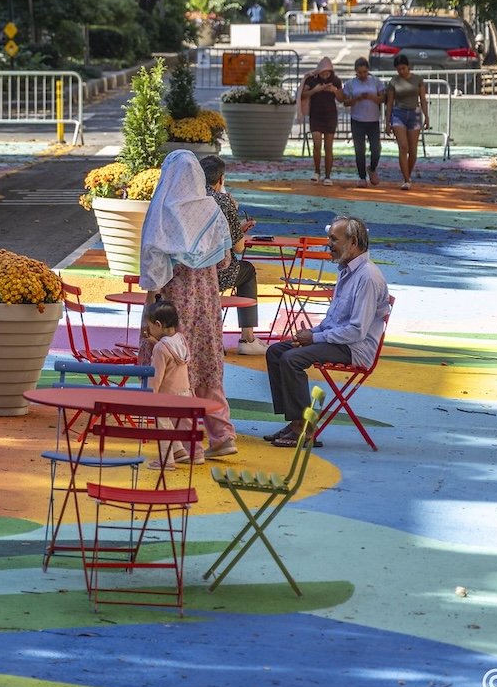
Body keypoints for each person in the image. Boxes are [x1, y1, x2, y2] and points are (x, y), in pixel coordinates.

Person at [137, 150, 238, 459]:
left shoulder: (164, 212)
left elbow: (154, 264)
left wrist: (149, 302)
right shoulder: (210, 210)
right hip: (206, 302)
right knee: (207, 364)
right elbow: (225, 260)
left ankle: (179, 443)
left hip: (172, 303)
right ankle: (222, 435)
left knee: (172, 370)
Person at [264, 216, 389, 448]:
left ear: (353, 243)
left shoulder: (367, 277)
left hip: (354, 348)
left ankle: (304, 428)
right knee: (276, 351)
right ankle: (295, 422)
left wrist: (314, 337)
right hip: (339, 340)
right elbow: (334, 319)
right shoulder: (348, 270)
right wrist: (313, 333)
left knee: (291, 359)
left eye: (334, 239)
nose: (328, 244)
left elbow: (356, 331)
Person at [200, 154, 261, 355]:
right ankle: (247, 337)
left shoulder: (190, 198)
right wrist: (239, 228)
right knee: (248, 271)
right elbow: (238, 248)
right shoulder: (224, 202)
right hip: (216, 273)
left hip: (187, 269)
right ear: (221, 179)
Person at [142, 299, 198, 469]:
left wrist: (150, 395)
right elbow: (170, 356)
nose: (149, 330)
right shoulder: (180, 340)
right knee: (170, 424)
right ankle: (179, 450)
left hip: (166, 396)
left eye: (151, 326)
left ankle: (166, 460)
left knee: (163, 426)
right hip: (184, 392)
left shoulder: (160, 348)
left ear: (158, 324)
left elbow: (156, 375)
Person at [385, 53, 430, 190]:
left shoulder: (418, 80)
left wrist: (426, 115)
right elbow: (390, 103)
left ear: (408, 66)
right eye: (399, 69)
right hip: (398, 114)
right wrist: (387, 122)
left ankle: (408, 175)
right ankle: (405, 178)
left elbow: (422, 99)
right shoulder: (394, 82)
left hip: (414, 115)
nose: (401, 72)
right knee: (403, 147)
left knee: (413, 150)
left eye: (403, 68)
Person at [341, 57, 387, 186]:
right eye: (359, 72)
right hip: (357, 120)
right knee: (359, 149)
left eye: (365, 72)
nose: (362, 75)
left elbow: (383, 98)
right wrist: (357, 99)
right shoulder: (350, 84)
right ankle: (362, 176)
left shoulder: (376, 81)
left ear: (368, 70)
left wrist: (373, 98)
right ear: (355, 72)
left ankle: (372, 168)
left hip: (373, 120)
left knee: (376, 148)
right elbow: (345, 102)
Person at [300, 57, 345, 185]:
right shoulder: (312, 80)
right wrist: (315, 90)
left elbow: (342, 99)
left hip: (330, 116)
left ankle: (328, 175)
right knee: (317, 144)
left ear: (331, 72)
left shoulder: (336, 81)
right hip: (315, 115)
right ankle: (317, 171)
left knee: (328, 147)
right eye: (323, 73)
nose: (325, 75)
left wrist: (335, 91)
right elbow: (302, 95)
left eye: (327, 73)